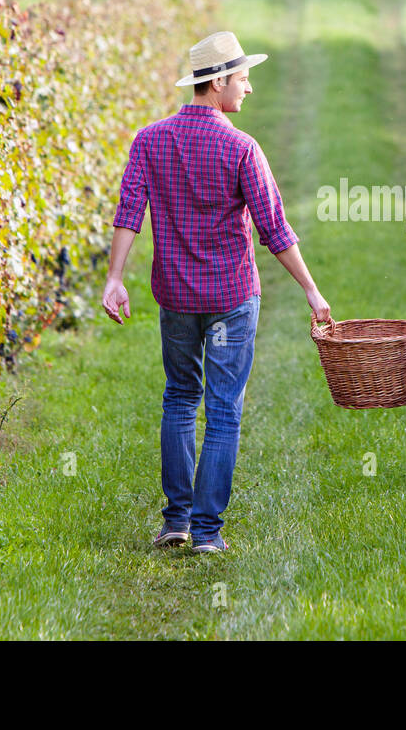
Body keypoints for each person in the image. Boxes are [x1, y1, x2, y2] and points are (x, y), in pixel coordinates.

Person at [102, 31, 331, 554]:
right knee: (224, 410)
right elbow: (275, 231)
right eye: (244, 79)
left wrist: (114, 278)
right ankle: (207, 532)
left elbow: (128, 213)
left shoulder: (149, 139)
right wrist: (312, 292)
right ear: (220, 81)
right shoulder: (242, 148)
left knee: (181, 398)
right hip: (231, 298)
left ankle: (176, 521)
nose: (249, 89)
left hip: (177, 296)